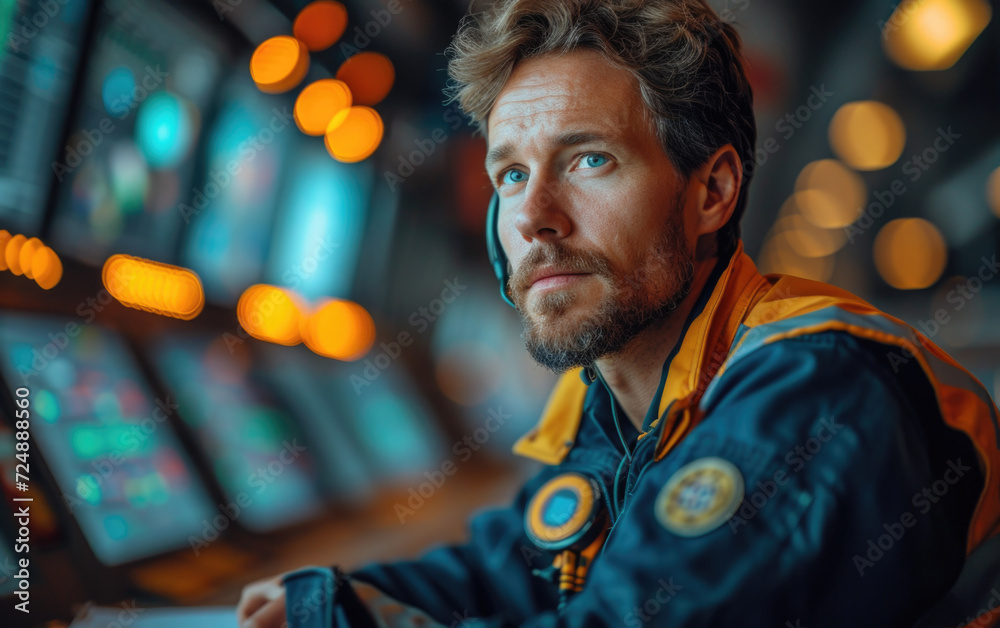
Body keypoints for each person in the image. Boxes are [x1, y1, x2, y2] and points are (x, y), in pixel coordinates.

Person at [237, 1, 1000, 626]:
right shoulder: (613, 399)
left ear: (712, 193)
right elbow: (513, 569)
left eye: (588, 159)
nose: (534, 216)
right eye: (510, 173)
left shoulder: (816, 386)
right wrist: (323, 604)